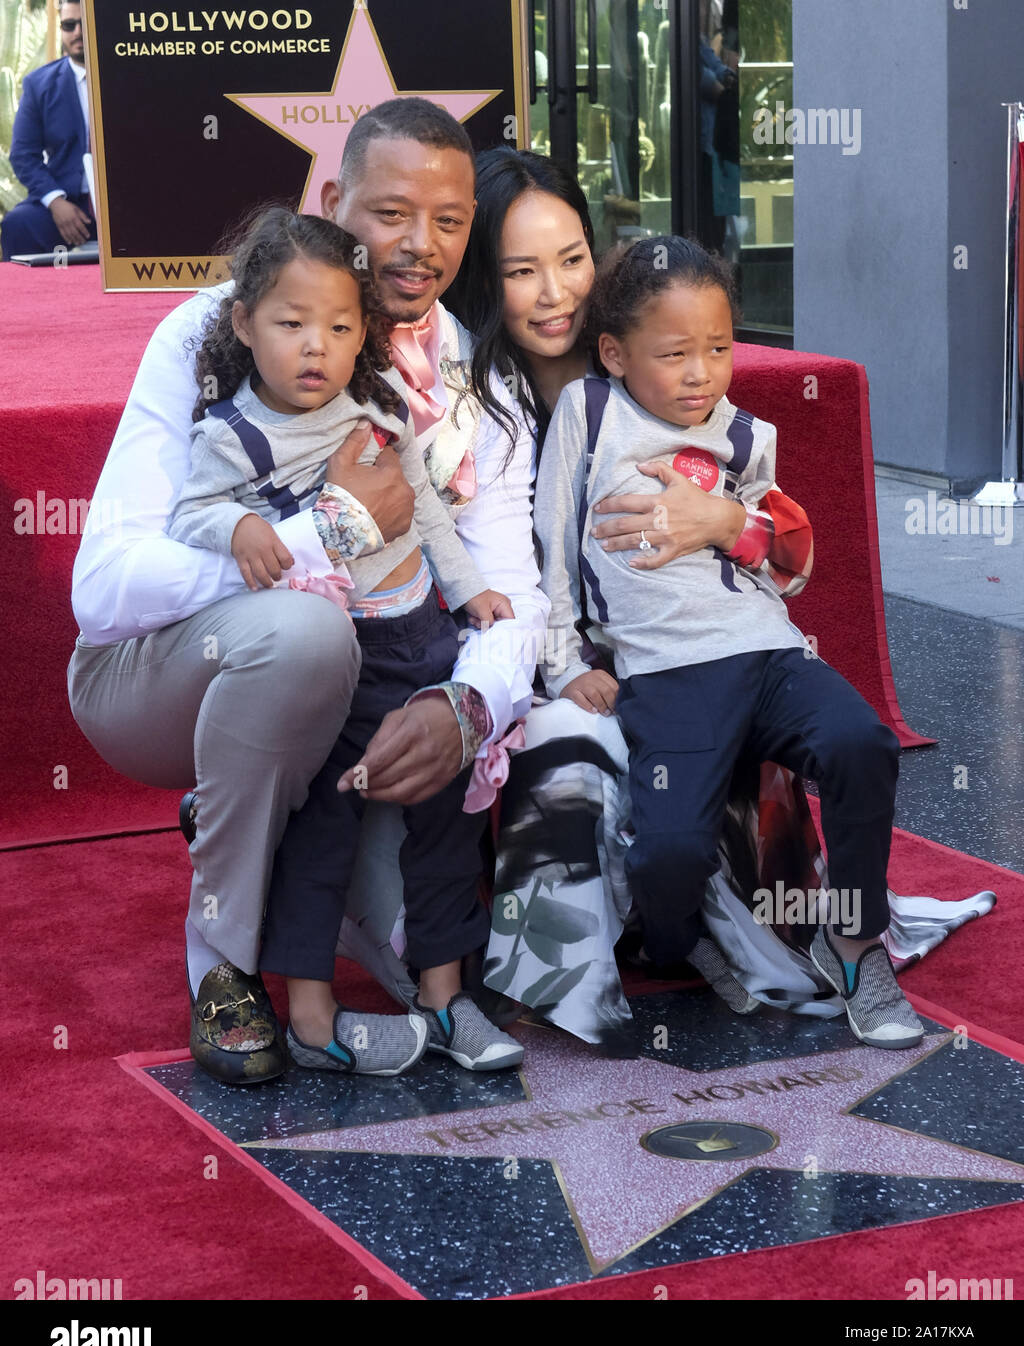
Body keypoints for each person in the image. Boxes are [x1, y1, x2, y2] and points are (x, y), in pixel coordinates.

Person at [68, 98, 549, 1084]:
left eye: (448, 221)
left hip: (375, 687)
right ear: (334, 202)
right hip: (161, 674)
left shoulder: (466, 376)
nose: (419, 246)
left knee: (436, 956)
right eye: (390, 213)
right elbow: (105, 590)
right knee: (303, 636)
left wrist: (468, 705)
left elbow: (510, 591)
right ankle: (223, 965)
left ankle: (264, 801)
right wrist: (327, 532)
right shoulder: (216, 330)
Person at [534, 233, 924, 1050]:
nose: (700, 373)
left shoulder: (746, 435)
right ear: (614, 353)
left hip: (768, 649)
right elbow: (552, 542)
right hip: (666, 671)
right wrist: (563, 661)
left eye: (717, 348)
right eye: (674, 353)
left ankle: (854, 942)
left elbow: (791, 565)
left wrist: (726, 520)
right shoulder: (591, 412)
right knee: (668, 854)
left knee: (862, 743)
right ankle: (677, 943)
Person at [170, 205, 523, 1074]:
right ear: (244, 324)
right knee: (320, 829)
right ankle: (312, 1014)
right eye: (291, 324)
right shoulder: (232, 435)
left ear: (363, 332)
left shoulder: (374, 405)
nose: (315, 348)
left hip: (422, 638)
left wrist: (467, 588)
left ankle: (445, 998)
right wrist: (237, 529)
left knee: (445, 820)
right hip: (337, 658)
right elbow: (189, 513)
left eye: (337, 327)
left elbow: (424, 504)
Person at [1, 0, 96, 261]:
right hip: (67, 201)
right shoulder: (39, 85)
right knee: (18, 224)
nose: (77, 32)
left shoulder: (126, 78)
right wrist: (55, 201)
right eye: (69, 25)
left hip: (120, 203)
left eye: (85, 24)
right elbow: (23, 155)